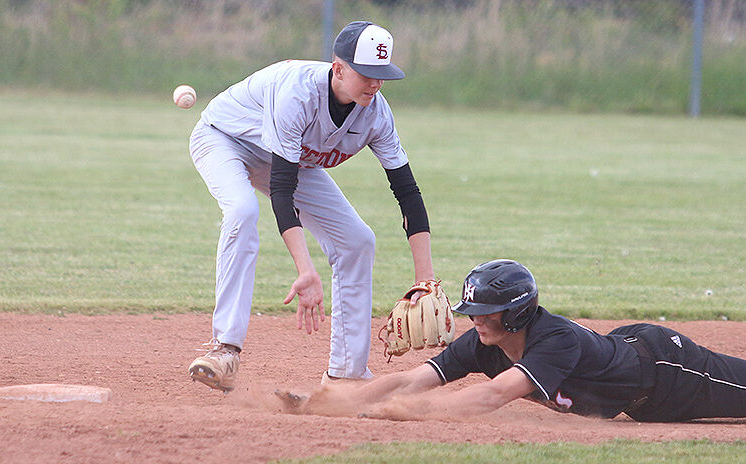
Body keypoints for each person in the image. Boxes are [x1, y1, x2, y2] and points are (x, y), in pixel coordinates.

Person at [187, 21, 438, 392]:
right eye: (366, 73)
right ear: (339, 69)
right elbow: (282, 189)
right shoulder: (298, 94)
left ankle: (346, 375)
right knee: (242, 210)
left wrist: (424, 280)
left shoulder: (376, 115)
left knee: (357, 241)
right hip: (225, 139)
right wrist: (305, 268)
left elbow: (407, 192)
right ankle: (225, 349)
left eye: (381, 75)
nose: (375, 84)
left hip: (287, 160)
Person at [288, 259, 746, 422]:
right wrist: (328, 402)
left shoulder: (553, 340)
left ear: (519, 311)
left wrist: (402, 413)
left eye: (488, 311)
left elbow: (492, 395)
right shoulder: (484, 340)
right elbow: (412, 379)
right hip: (635, 394)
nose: (477, 320)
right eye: (473, 312)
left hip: (667, 372)